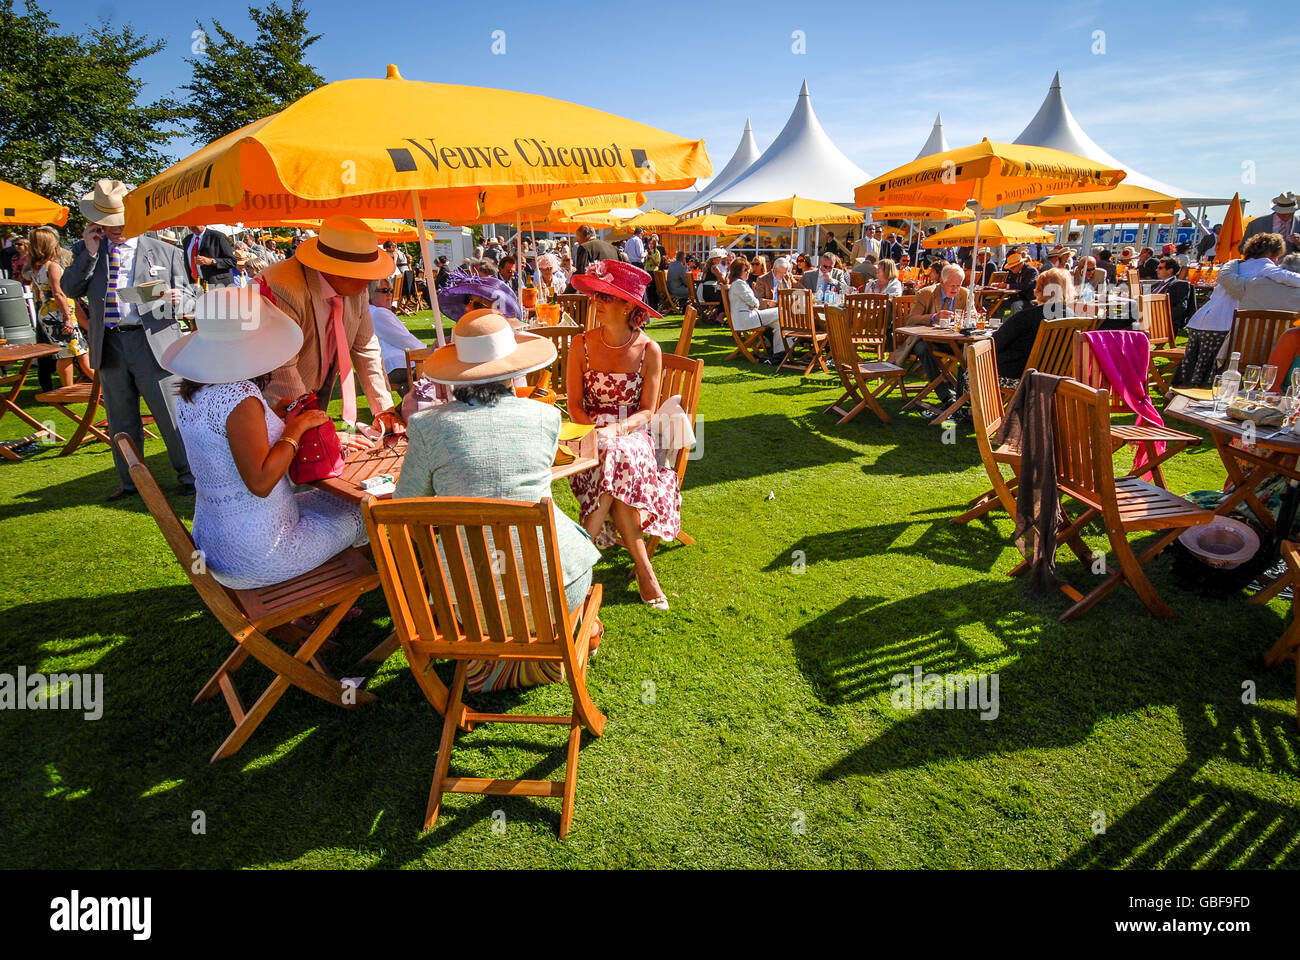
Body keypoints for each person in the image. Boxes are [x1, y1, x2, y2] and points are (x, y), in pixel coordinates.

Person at [396, 308, 603, 672]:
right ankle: (573, 633)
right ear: (513, 371)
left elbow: (405, 507)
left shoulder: (427, 427)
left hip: (467, 600)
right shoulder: (545, 417)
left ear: (458, 375)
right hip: (557, 588)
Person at [163, 287, 367, 589]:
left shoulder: (194, 391)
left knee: (335, 499)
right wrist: (296, 429)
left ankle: (315, 596)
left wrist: (272, 415)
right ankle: (322, 597)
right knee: (365, 510)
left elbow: (226, 440)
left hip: (215, 541)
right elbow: (260, 483)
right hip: (261, 551)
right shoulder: (240, 396)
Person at [63, 179, 196, 500]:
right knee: (121, 420)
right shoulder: (88, 252)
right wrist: (91, 253)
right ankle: (130, 482)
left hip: (156, 343)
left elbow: (193, 298)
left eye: (121, 221)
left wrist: (181, 300)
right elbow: (69, 289)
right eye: (108, 223)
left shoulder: (167, 251)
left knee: (172, 416)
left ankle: (190, 477)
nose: (116, 228)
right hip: (110, 345)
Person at [567, 261, 681, 611]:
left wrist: (617, 429)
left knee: (617, 454)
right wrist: (595, 431)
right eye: (597, 295)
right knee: (612, 457)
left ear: (629, 305)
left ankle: (576, 556)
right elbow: (573, 404)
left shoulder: (650, 350)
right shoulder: (580, 344)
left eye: (606, 296)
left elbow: (648, 411)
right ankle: (644, 571)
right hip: (587, 431)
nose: (596, 301)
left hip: (633, 434)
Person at [259, 215, 404, 439]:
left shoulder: (357, 288)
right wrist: (320, 432)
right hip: (273, 406)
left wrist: (384, 409)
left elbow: (366, 348)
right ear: (338, 270)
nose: (371, 282)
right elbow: (282, 372)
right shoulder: (283, 289)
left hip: (318, 385)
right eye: (366, 274)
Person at [1174, 233, 1288, 388]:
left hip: (1202, 320)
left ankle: (1179, 392)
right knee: (1214, 368)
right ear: (1272, 253)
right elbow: (1290, 278)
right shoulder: (1265, 267)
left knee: (1193, 365)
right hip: (1223, 323)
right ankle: (1201, 394)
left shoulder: (1236, 265)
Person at [905, 264, 979, 410]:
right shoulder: (926, 293)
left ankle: (967, 394)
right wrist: (933, 317)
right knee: (923, 349)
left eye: (958, 285)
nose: (956, 289)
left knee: (974, 349)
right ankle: (946, 395)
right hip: (929, 340)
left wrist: (972, 317)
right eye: (952, 285)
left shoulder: (965, 294)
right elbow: (912, 319)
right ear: (942, 282)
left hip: (956, 340)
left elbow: (973, 314)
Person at [27, 226, 91, 387]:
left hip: (48, 311)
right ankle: (99, 387)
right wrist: (68, 318)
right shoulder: (52, 266)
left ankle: (68, 389)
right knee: (80, 352)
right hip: (60, 313)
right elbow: (59, 293)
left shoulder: (36, 267)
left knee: (65, 354)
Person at [991, 268, 1075, 380]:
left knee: (971, 371)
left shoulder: (1026, 317)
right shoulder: (1072, 316)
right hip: (1055, 379)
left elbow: (994, 343)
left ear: (1038, 289)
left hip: (1020, 377)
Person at [367, 278, 424, 396]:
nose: (389, 295)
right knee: (440, 370)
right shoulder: (379, 313)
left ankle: (413, 404)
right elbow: (404, 340)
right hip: (395, 367)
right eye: (384, 291)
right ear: (371, 294)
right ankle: (420, 406)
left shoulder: (372, 311)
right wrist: (426, 351)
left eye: (391, 291)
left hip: (393, 366)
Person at [727, 257, 787, 362]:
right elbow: (755, 302)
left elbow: (753, 303)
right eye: (745, 270)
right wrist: (754, 304)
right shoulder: (739, 284)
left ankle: (779, 353)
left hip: (747, 316)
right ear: (738, 272)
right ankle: (783, 350)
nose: (748, 272)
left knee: (779, 322)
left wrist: (754, 304)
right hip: (747, 319)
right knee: (781, 312)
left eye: (748, 269)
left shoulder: (737, 284)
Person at [1215, 249, 1300, 314]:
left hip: (1248, 335)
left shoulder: (1255, 285)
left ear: (1281, 267)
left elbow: (1225, 277)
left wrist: (1233, 262)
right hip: (1285, 336)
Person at [1151, 256, 1198, 331]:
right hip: (1146, 317)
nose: (1156, 270)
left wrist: (1161, 319)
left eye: (1160, 268)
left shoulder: (1179, 285)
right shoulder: (1156, 285)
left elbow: (1181, 307)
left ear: (1170, 270)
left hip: (1160, 323)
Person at [184, 224, 236, 288]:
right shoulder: (187, 240)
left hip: (218, 284)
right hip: (196, 284)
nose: (190, 225)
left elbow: (232, 261)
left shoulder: (218, 237)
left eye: (193, 222)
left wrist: (211, 261)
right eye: (188, 222)